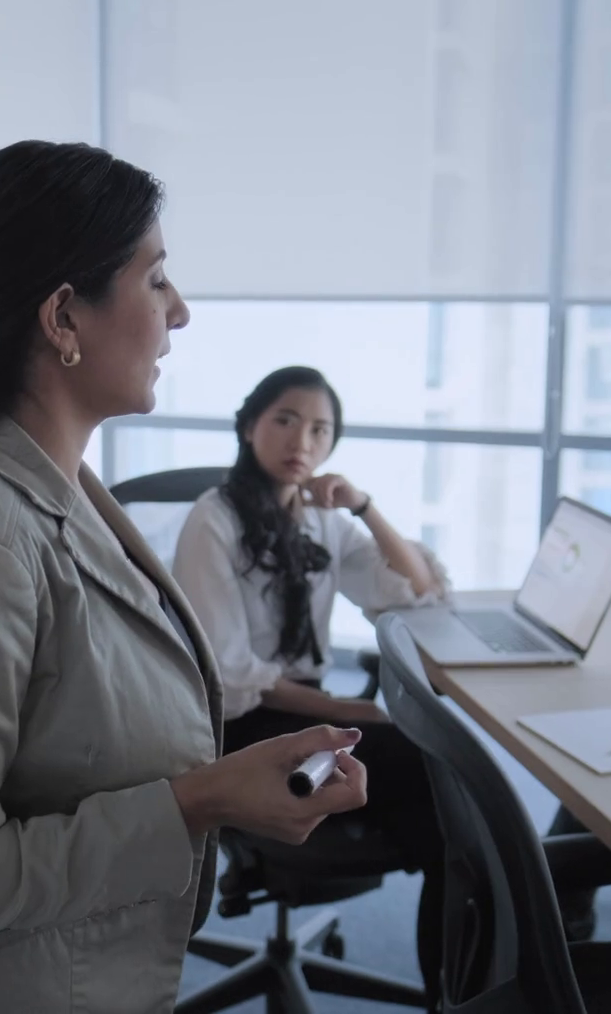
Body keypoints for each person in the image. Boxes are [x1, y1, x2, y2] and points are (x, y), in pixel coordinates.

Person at [0, 141, 371, 1013]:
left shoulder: (65, 495)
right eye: (157, 279)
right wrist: (200, 801)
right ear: (64, 317)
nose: (182, 312)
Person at [171, 365, 452, 1002]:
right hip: (240, 722)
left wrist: (364, 506)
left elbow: (416, 591)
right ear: (249, 427)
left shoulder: (323, 521)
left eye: (321, 430)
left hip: (309, 713)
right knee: (441, 783)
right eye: (286, 421)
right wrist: (349, 710)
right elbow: (233, 675)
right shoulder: (212, 519)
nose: (303, 441)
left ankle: (450, 979)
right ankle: (447, 985)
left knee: (443, 786)